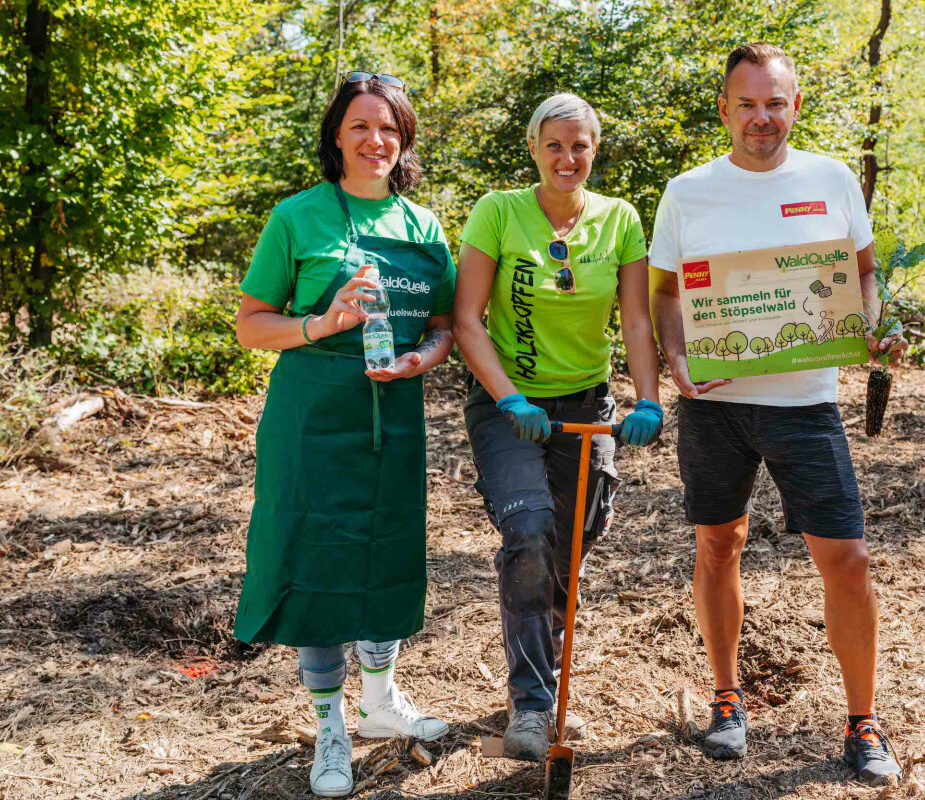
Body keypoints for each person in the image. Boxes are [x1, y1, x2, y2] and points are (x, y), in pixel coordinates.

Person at [647, 44, 907, 786]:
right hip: (716, 408)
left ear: (795, 105)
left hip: (805, 403)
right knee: (718, 546)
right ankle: (727, 699)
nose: (762, 118)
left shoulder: (830, 179)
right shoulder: (687, 191)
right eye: (748, 103)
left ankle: (862, 720)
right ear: (724, 108)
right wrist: (675, 357)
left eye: (776, 102)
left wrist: (874, 325)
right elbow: (666, 295)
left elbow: (863, 277)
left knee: (847, 560)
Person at [232, 72, 456, 798]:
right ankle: (330, 724)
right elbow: (250, 324)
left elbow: (447, 324)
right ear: (336, 135)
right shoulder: (296, 218)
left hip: (392, 413)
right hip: (311, 412)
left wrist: (425, 357)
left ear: (405, 138)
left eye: (389, 127)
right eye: (360, 126)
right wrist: (322, 323)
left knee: (385, 552)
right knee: (320, 557)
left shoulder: (424, 226)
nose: (375, 140)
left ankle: (382, 703)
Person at [453, 93, 664, 761]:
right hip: (508, 406)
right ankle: (532, 702)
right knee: (528, 533)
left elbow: (634, 322)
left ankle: (540, 642)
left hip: (586, 405)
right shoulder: (500, 212)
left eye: (580, 146)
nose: (567, 158)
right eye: (554, 145)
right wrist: (511, 399)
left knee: (576, 537)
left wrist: (648, 401)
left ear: (594, 150)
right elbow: (467, 320)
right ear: (535, 149)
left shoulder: (620, 220)